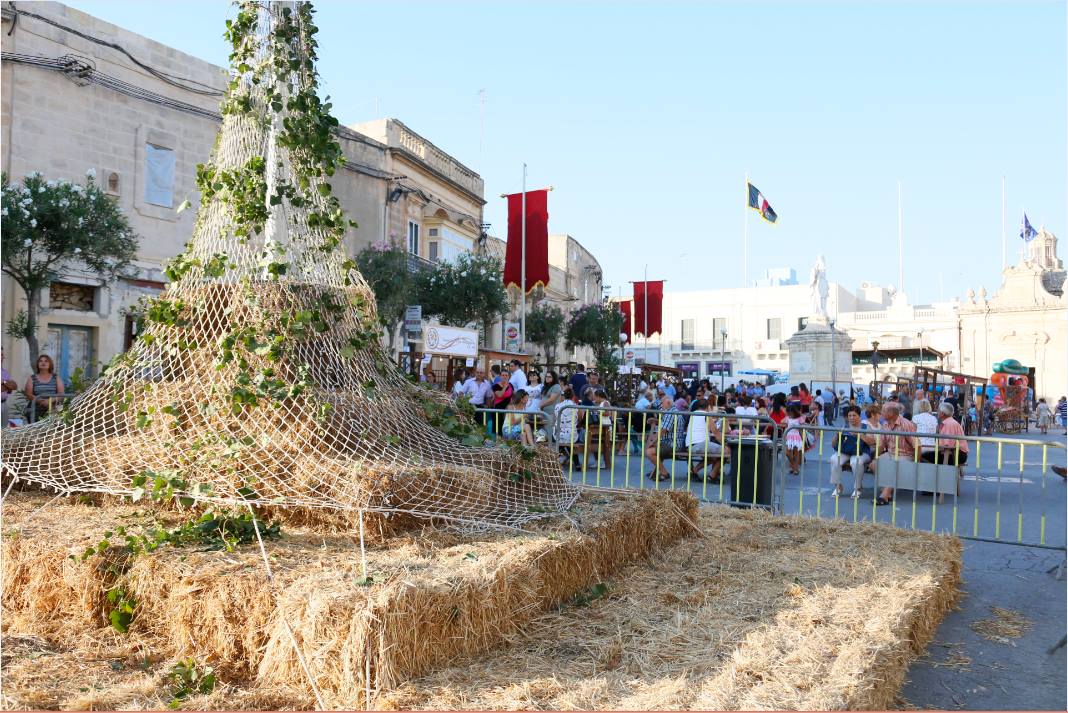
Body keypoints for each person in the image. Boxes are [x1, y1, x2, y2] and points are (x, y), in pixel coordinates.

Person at [874, 402, 918, 506]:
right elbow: (881, 445)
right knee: (874, 464)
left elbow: (917, 445)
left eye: (883, 411)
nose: (881, 413)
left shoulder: (906, 424)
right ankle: (887, 491)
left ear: (891, 413)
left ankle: (884, 496)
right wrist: (875, 457)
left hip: (905, 454)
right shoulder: (885, 424)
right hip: (890, 453)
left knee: (895, 466)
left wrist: (917, 461)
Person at [829, 406, 873, 498]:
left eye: (854, 415)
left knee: (856, 462)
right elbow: (833, 445)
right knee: (834, 459)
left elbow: (872, 442)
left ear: (859, 416)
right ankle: (838, 486)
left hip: (861, 451)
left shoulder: (866, 427)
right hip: (845, 450)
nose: (852, 418)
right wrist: (837, 435)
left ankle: (858, 488)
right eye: (850, 416)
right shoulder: (844, 427)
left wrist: (860, 435)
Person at [645, 394, 684, 481]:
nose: (661, 406)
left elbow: (663, 431)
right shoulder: (673, 411)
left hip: (672, 444)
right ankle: (657, 470)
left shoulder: (670, 413)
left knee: (649, 452)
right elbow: (667, 425)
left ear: (668, 403)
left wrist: (653, 442)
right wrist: (656, 421)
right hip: (674, 442)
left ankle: (664, 473)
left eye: (662, 403)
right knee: (652, 448)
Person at [686, 397, 723, 483]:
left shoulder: (692, 414)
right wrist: (724, 444)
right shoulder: (706, 415)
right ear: (708, 407)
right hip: (701, 444)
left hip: (690, 445)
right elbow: (715, 432)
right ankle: (712, 476)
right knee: (727, 452)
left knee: (712, 457)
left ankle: (694, 471)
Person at [25, 354, 63, 423]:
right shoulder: (32, 378)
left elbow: (61, 394)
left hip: (52, 409)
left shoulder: (56, 377)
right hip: (35, 410)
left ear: (50, 364)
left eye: (46, 361)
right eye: (41, 361)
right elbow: (28, 394)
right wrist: (41, 401)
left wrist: (49, 401)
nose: (43, 363)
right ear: (37, 364)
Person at [538, 371, 563, 438]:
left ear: (554, 378)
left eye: (549, 377)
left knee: (549, 432)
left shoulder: (556, 386)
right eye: (546, 376)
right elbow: (543, 398)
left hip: (551, 413)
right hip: (543, 413)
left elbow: (552, 399)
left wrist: (541, 405)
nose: (547, 378)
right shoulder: (545, 387)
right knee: (543, 433)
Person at [783, 405, 806, 475]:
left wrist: (803, 438)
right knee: (787, 453)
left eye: (789, 412)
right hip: (789, 436)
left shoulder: (799, 418)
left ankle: (795, 468)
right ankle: (794, 467)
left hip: (796, 436)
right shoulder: (787, 418)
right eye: (788, 412)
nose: (788, 413)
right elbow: (785, 427)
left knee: (796, 454)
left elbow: (802, 428)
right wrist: (784, 436)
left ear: (793, 411)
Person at [1, 349, 18, 427]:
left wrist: (3, 382)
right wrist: (7, 386)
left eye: (2, 355)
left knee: (4, 430)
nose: (1, 357)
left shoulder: (5, 372)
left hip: (3, 404)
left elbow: (14, 386)